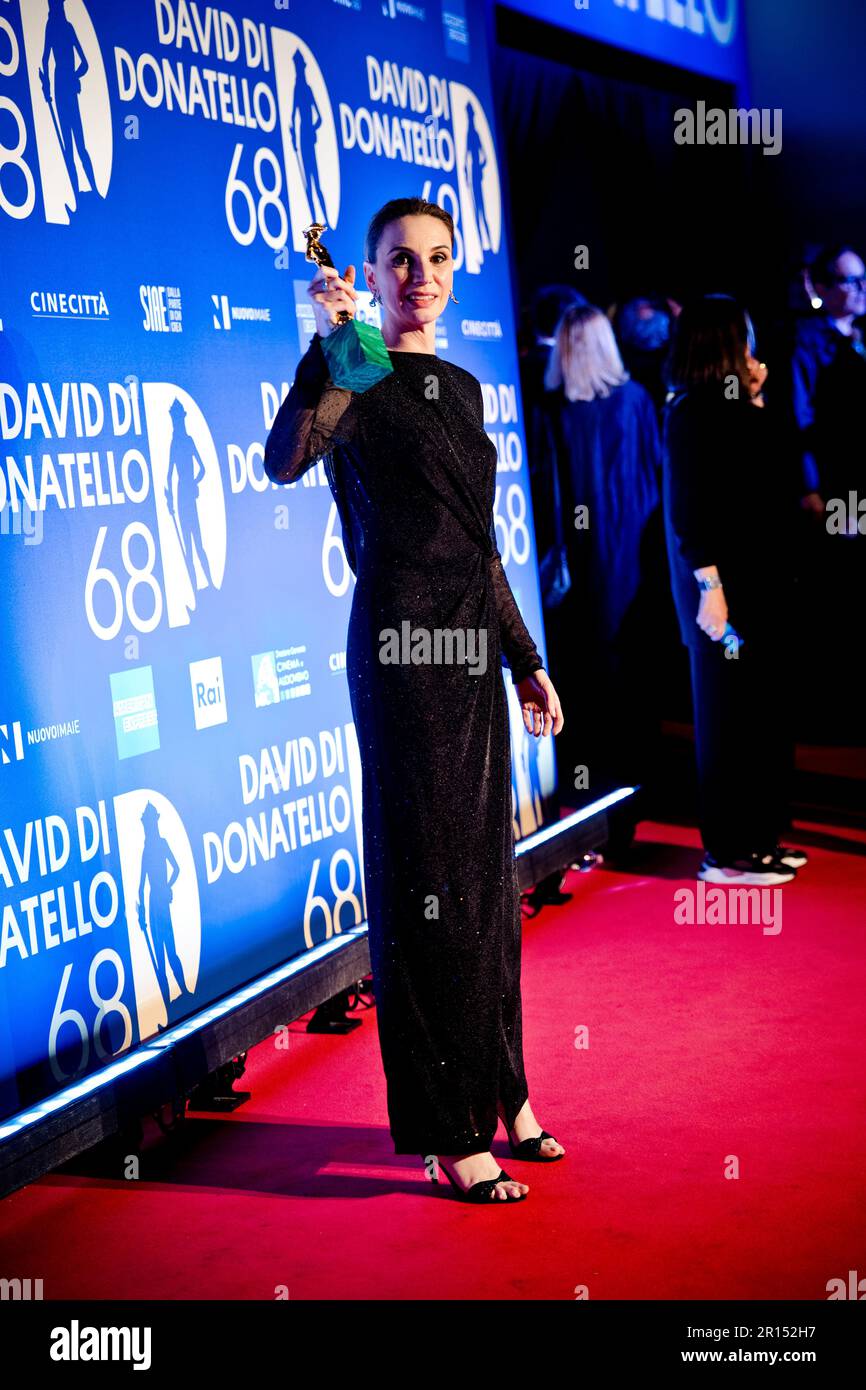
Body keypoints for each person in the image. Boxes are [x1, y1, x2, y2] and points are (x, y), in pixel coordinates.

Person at [264, 197, 565, 1205]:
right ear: (369, 270)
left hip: (472, 649)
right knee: (427, 883)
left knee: (485, 878)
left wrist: (524, 658)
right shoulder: (360, 370)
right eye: (399, 260)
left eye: (436, 258)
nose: (419, 275)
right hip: (400, 650)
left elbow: (477, 544)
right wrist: (322, 346)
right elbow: (287, 456)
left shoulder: (464, 385)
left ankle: (505, 1091)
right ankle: (444, 1129)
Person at [662, 295, 806, 885]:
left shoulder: (737, 404)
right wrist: (710, 588)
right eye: (743, 335)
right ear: (722, 341)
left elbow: (780, 474)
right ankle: (726, 853)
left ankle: (762, 839)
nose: (753, 347)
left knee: (763, 715)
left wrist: (759, 399)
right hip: (718, 587)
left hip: (761, 580)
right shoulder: (690, 411)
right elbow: (688, 513)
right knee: (727, 720)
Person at [541, 304, 664, 838]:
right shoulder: (635, 401)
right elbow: (659, 478)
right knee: (631, 675)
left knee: (589, 681)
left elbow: (551, 495)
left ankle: (597, 796)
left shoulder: (555, 412)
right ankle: (635, 790)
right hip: (633, 559)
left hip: (584, 568)